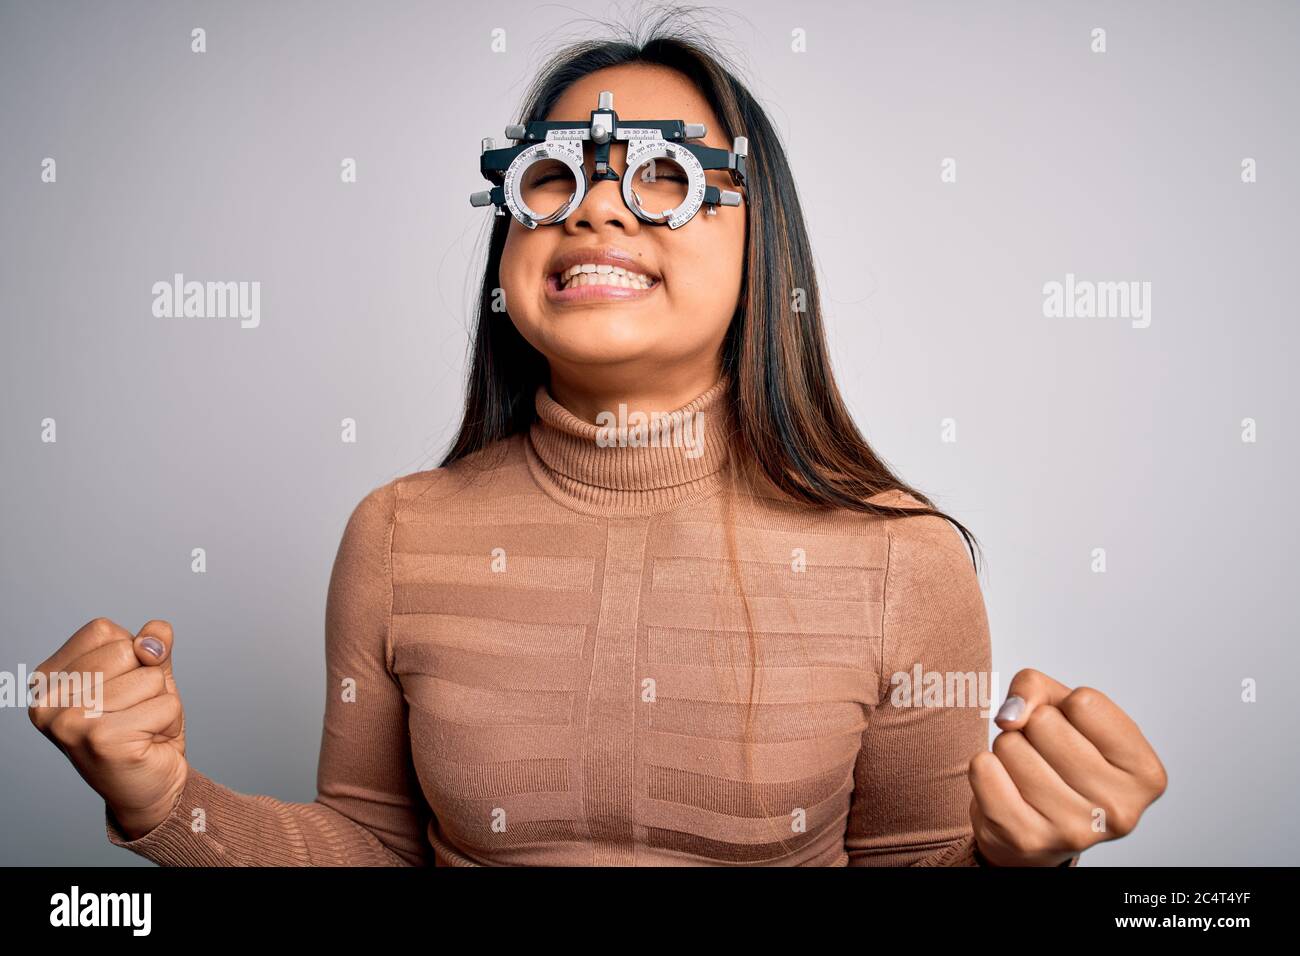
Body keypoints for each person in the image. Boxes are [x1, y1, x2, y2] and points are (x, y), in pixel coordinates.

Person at [29, 21, 1165, 867]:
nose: (598, 207)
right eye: (554, 174)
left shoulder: (903, 559)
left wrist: (1019, 858)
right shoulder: (394, 533)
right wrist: (160, 795)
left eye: (665, 173)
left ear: (762, 243)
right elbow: (370, 847)